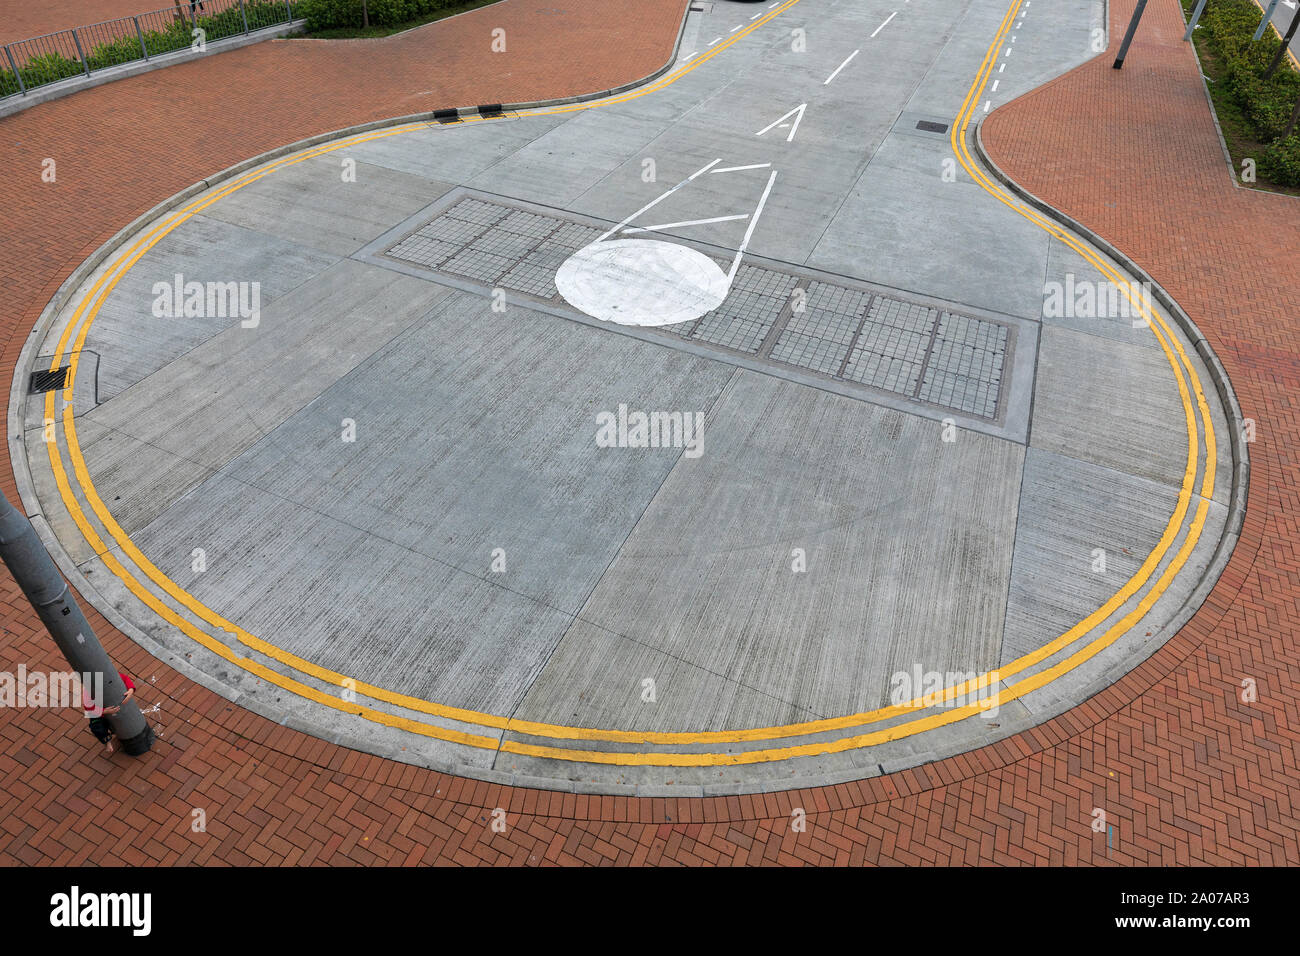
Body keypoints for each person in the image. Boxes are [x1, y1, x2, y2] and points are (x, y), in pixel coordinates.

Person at [83, 673, 137, 755]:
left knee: (126, 715)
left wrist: (131, 690)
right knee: (96, 727)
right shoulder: (88, 691)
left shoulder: (110, 674)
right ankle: (107, 741)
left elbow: (125, 678)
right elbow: (89, 708)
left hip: (116, 706)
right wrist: (104, 711)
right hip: (100, 712)